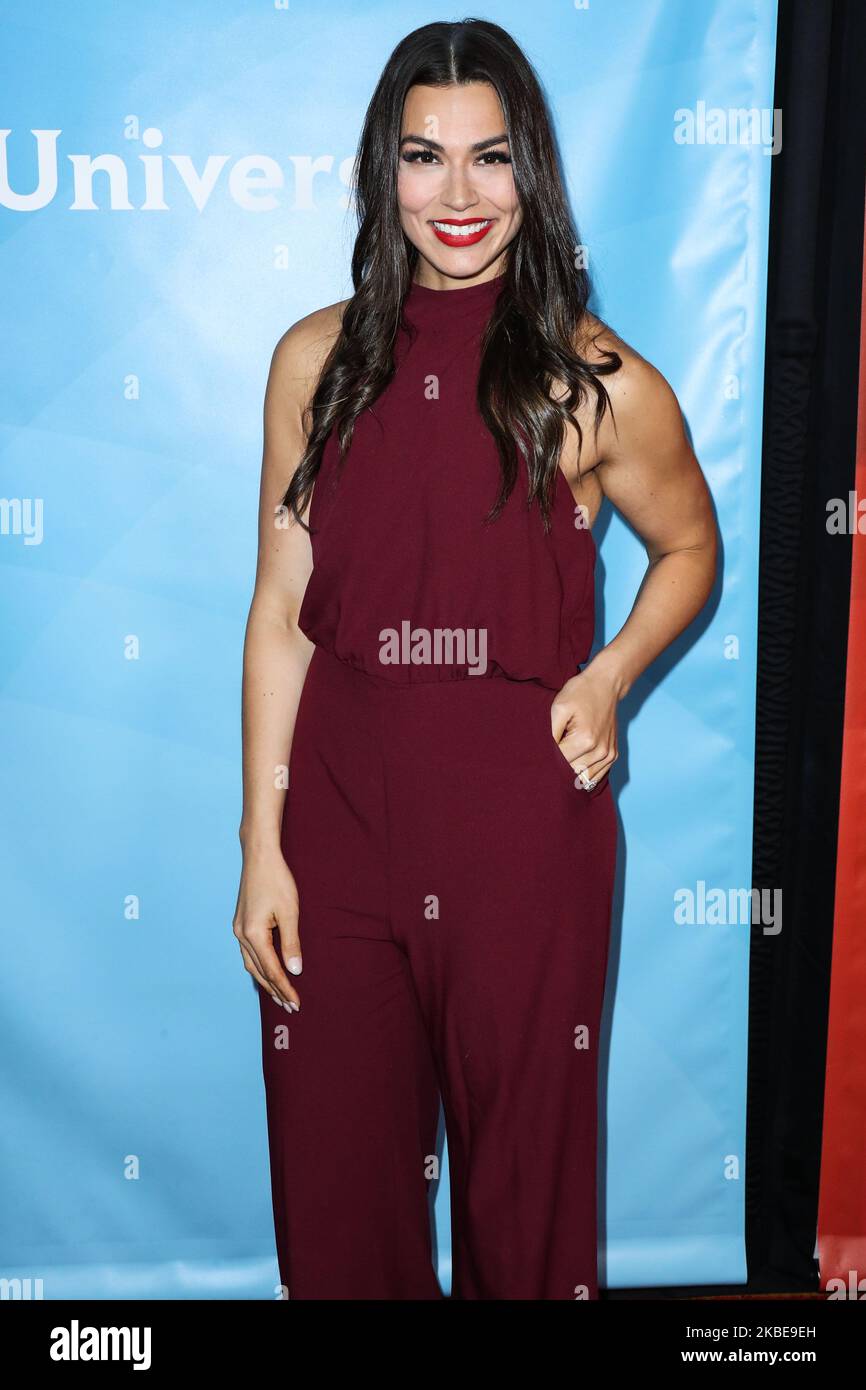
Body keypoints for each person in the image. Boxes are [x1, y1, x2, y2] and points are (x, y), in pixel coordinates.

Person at [233, 17, 717, 1301]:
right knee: (336, 1208)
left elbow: (689, 549)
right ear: (379, 174)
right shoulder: (311, 361)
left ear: (532, 174)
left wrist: (607, 675)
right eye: (422, 156)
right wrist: (260, 846)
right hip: (333, 824)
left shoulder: (596, 377)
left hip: (523, 830)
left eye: (489, 158)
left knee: (526, 1200)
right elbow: (283, 608)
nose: (457, 195)